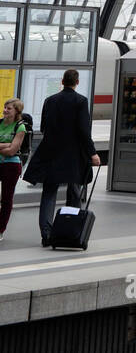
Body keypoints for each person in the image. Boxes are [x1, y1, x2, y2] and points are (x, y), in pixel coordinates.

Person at [24, 68, 100, 246]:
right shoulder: (81, 101)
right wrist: (92, 153)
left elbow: (43, 127)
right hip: (73, 156)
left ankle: (46, 234)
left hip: (51, 153)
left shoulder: (50, 100)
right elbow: (83, 131)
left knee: (49, 193)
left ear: (62, 81)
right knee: (74, 192)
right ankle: (70, 230)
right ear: (77, 82)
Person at [0, 98, 27, 240]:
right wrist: (7, 144)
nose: (5, 110)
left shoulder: (20, 127)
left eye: (9, 108)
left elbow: (12, 151)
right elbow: (10, 147)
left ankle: (0, 229)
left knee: (6, 199)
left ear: (17, 111)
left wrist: (7, 147)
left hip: (11, 165)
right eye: (5, 107)